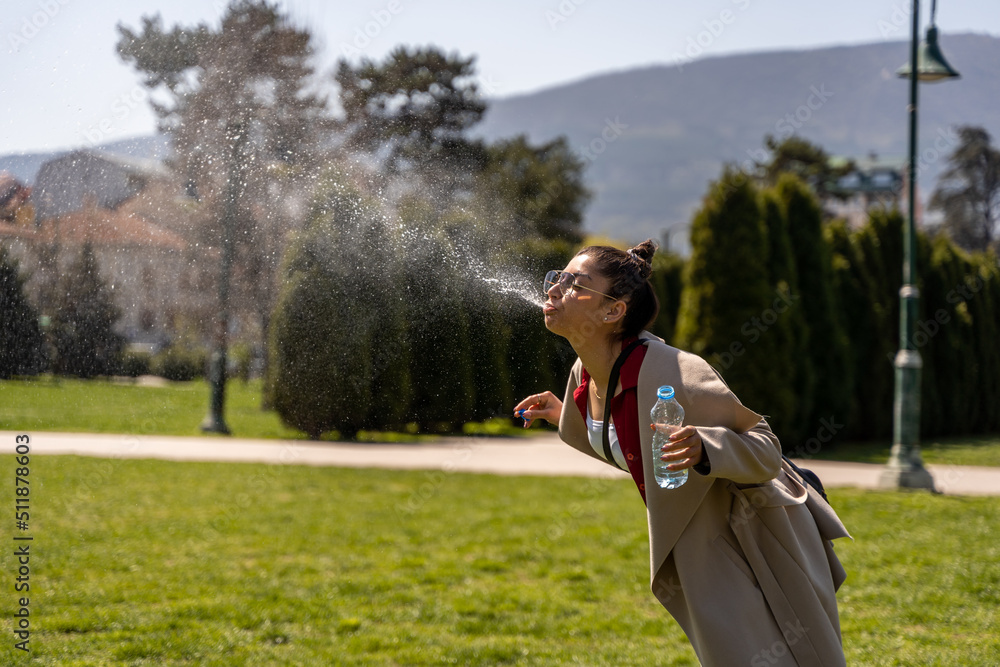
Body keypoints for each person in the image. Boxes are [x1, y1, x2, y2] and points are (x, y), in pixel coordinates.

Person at [513, 240, 850, 666]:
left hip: (754, 536)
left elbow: (765, 447)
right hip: (704, 549)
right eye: (557, 278)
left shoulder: (675, 372)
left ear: (613, 310)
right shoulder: (585, 375)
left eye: (575, 283)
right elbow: (632, 448)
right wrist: (565, 413)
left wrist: (707, 447)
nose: (555, 289)